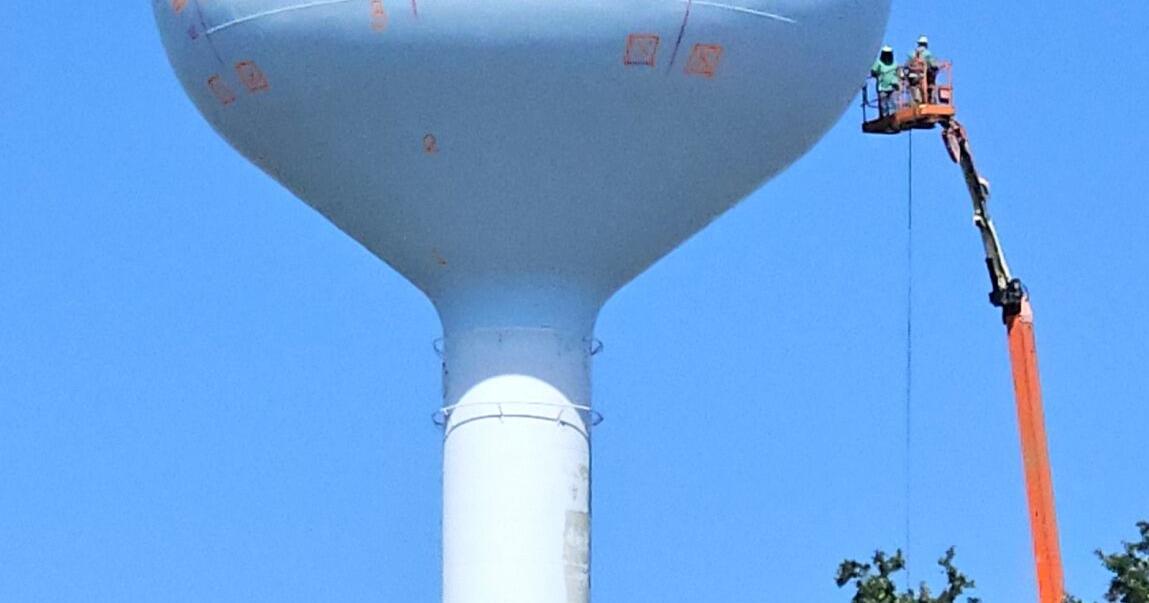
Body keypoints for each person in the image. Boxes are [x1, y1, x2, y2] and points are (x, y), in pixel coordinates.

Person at [907, 35, 939, 103]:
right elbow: (933, 64)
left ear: (918, 44)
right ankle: (930, 97)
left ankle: (917, 98)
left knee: (913, 86)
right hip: (923, 76)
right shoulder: (928, 53)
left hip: (912, 77)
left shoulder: (911, 53)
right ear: (926, 44)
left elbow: (907, 65)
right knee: (932, 77)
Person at [870, 46, 900, 116]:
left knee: (893, 103)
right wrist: (878, 74)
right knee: (883, 104)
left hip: (892, 87)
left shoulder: (894, 63)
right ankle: (885, 117)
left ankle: (893, 116)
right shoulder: (879, 63)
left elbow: (898, 72)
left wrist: (897, 81)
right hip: (882, 87)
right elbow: (873, 71)